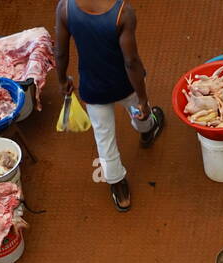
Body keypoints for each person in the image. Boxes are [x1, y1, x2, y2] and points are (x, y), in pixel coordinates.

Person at [54, 0, 165, 212]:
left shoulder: (65, 8)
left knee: (103, 138)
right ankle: (146, 132)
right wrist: (142, 99)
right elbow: (131, 61)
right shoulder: (123, 13)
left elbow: (60, 51)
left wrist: (61, 80)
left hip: (93, 90)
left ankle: (118, 187)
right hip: (125, 86)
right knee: (140, 114)